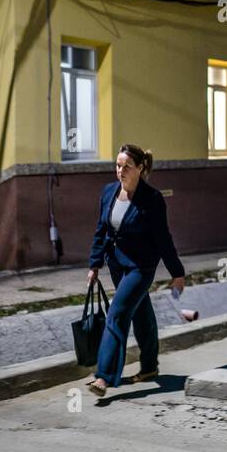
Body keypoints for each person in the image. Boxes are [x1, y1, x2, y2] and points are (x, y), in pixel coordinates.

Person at [85, 144, 186, 397]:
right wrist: (94, 264)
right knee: (141, 313)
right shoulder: (108, 192)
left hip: (141, 267)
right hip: (117, 264)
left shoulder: (151, 199)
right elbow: (102, 230)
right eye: (118, 165)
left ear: (140, 168)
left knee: (117, 314)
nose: (120, 171)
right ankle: (150, 367)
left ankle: (104, 377)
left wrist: (177, 272)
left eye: (126, 167)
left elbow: (163, 238)